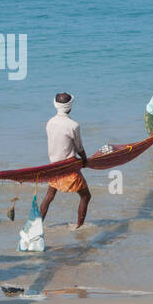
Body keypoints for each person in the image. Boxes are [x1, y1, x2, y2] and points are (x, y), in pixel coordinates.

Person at [40, 93, 91, 228]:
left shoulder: (50, 122)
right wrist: (85, 161)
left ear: (55, 105)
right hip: (69, 168)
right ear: (70, 106)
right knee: (86, 196)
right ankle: (79, 227)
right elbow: (79, 147)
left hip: (54, 167)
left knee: (49, 197)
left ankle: (37, 225)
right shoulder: (73, 125)